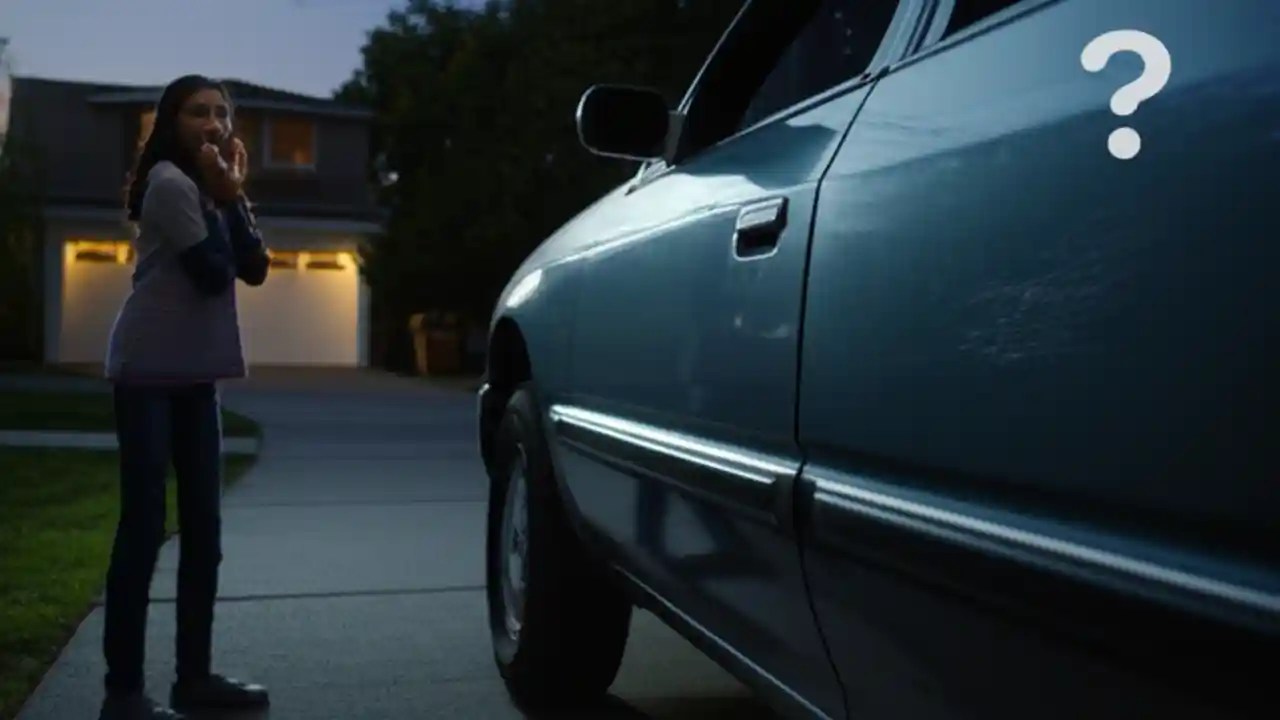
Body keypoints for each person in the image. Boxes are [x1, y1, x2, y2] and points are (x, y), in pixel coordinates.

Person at [98, 74, 271, 720]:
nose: (213, 123)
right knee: (143, 529)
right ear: (173, 121)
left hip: (197, 377)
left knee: (205, 534)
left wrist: (234, 196)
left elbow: (255, 268)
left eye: (222, 113)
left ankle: (193, 681)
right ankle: (123, 695)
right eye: (199, 111)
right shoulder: (170, 185)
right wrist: (226, 198)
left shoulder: (211, 187)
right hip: (147, 373)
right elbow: (212, 274)